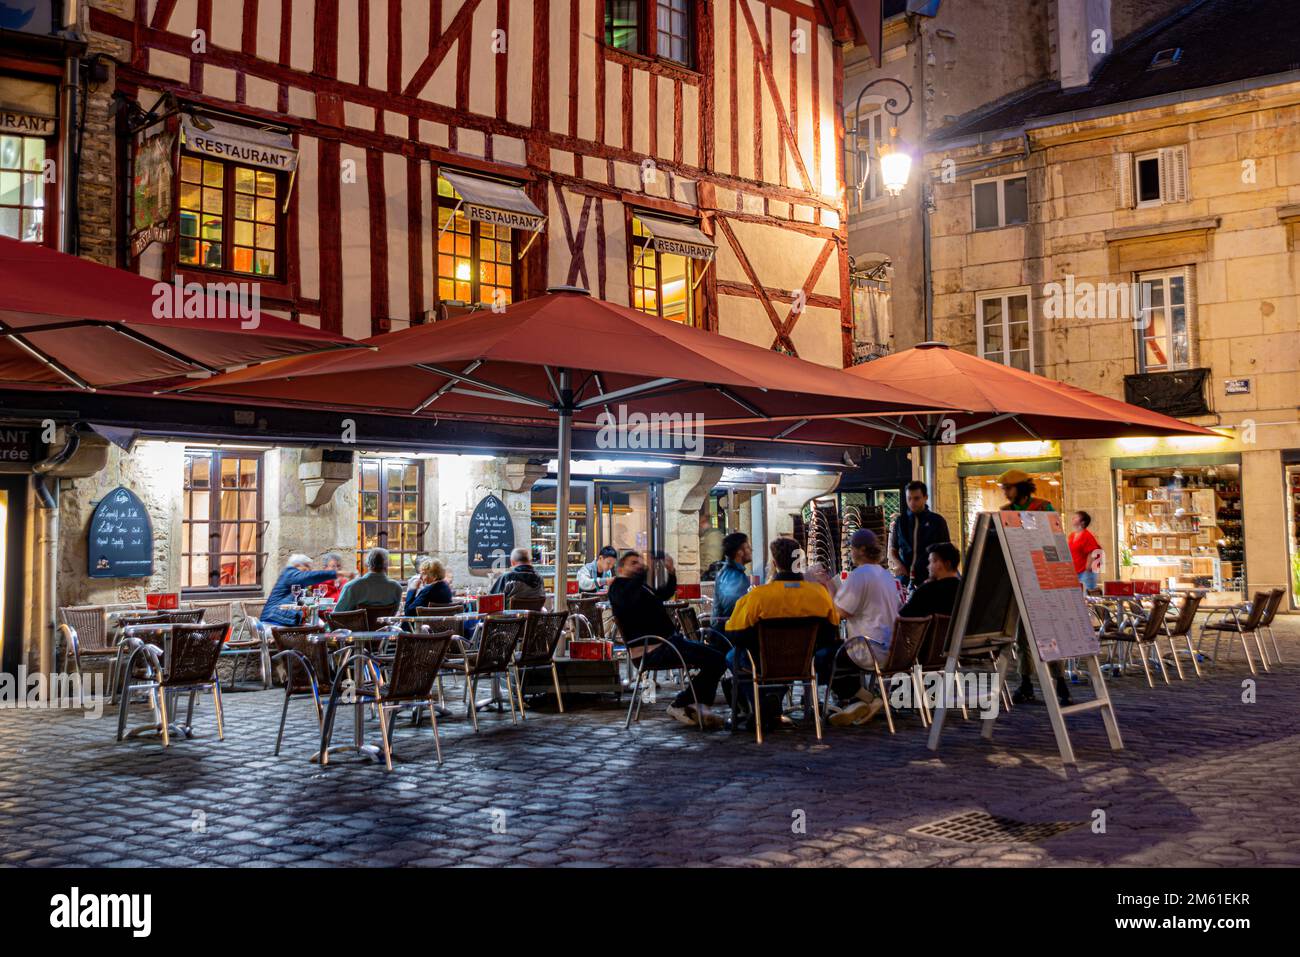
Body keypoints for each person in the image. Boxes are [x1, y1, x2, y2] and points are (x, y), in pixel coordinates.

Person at [726, 537, 844, 732]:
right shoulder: (819, 594)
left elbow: (735, 634)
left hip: (766, 662)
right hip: (805, 663)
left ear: (774, 564)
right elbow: (831, 632)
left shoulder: (758, 596)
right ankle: (771, 703)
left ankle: (762, 706)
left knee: (733, 656)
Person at [608, 550, 726, 729]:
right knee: (716, 659)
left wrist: (670, 572)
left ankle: (695, 704)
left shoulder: (639, 587)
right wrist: (645, 572)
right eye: (634, 563)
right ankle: (684, 703)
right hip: (652, 650)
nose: (639, 565)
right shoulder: (619, 588)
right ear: (621, 568)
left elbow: (663, 593)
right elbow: (630, 600)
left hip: (669, 643)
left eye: (640, 562)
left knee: (717, 657)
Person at [995, 471, 1069, 705]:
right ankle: (1025, 682)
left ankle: (1060, 682)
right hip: (1019, 580)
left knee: (1050, 633)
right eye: (1004, 488)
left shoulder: (1043, 507)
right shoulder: (1005, 512)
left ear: (1021, 487)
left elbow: (1054, 541)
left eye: (1008, 488)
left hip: (1043, 579)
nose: (1005, 492)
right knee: (1022, 637)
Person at [818, 529, 899, 726]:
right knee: (836, 650)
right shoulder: (885, 575)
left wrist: (827, 586)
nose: (850, 553)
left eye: (852, 548)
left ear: (861, 550)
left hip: (868, 648)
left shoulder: (859, 575)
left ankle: (864, 699)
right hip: (891, 648)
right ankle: (856, 701)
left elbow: (841, 613)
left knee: (822, 657)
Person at [889, 481, 951, 591]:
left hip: (930, 578)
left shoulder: (937, 521)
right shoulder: (900, 521)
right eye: (909, 498)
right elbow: (893, 549)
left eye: (916, 498)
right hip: (905, 578)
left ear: (925, 497)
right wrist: (899, 565)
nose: (912, 502)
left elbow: (946, 552)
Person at [260, 553, 337, 627]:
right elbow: (309, 577)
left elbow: (303, 602)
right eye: (307, 567)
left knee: (318, 627)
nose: (309, 571)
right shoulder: (289, 573)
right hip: (272, 622)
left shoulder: (297, 582)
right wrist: (335, 574)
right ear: (297, 565)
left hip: (282, 620)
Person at [899, 542, 962, 618]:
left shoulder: (926, 592)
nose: (928, 566)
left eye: (932, 561)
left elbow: (902, 617)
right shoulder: (964, 590)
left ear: (947, 564)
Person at [334, 547, 404, 614]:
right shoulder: (396, 588)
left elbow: (337, 614)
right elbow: (394, 613)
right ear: (386, 565)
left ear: (367, 564)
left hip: (356, 626)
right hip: (385, 626)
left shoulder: (351, 586)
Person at [710, 531, 752, 625]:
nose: (751, 550)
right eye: (748, 547)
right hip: (729, 635)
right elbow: (734, 609)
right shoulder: (731, 576)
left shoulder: (735, 573)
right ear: (740, 552)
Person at [1068, 511, 1103, 592]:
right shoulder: (1072, 536)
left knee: (1086, 596)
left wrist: (1088, 568)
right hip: (1076, 571)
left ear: (1082, 522)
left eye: (1076, 517)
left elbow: (1092, 552)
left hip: (1086, 572)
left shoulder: (1087, 536)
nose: (1073, 518)